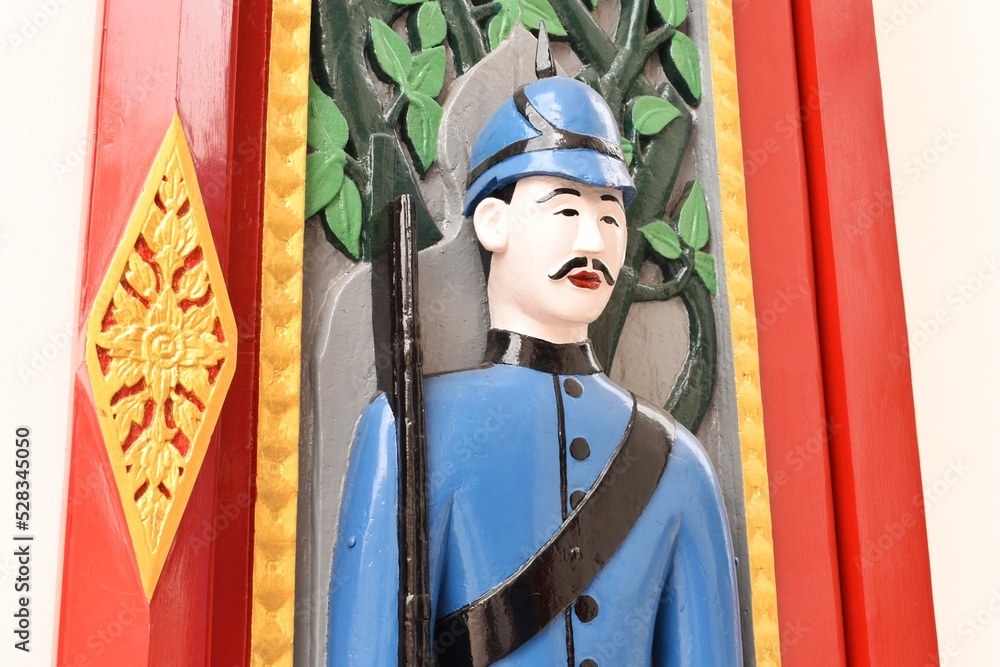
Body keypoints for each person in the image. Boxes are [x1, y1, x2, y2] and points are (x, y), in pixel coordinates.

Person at [327, 72, 742, 667]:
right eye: (566, 209)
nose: (592, 241)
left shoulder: (679, 465)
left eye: (610, 216)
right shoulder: (411, 430)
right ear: (493, 221)